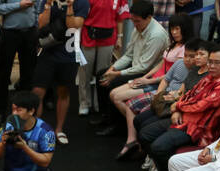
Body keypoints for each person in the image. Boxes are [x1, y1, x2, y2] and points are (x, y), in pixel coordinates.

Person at [144, 42, 220, 171]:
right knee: (145, 133)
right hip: (184, 118)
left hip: (200, 129)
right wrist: (177, 110)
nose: (211, 66)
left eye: (216, 63)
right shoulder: (209, 77)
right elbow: (189, 94)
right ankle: (161, 169)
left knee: (158, 147)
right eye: (210, 62)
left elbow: (201, 105)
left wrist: (177, 106)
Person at [111, 30, 198, 158]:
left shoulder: (195, 73)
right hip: (162, 91)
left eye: (178, 29)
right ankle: (132, 140)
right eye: (186, 56)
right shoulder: (177, 59)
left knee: (140, 116)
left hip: (171, 99)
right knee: (118, 96)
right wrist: (158, 95)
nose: (174, 32)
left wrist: (167, 97)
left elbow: (182, 93)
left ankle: (138, 145)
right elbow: (166, 78)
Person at [94, 0, 168, 128]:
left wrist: (115, 74)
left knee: (113, 82)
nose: (134, 24)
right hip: (135, 66)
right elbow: (128, 55)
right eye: (132, 20)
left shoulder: (157, 35)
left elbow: (144, 67)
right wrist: (112, 69)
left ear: (149, 18)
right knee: (102, 75)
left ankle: (115, 125)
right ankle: (105, 116)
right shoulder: (138, 27)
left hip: (147, 73)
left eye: (137, 21)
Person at [30, 0, 87, 145]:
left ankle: (59, 129)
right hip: (47, 52)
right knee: (37, 91)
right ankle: (35, 130)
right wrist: (48, 4)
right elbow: (41, 23)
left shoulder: (81, 2)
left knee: (63, 92)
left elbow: (73, 25)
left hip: (69, 54)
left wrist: (69, 7)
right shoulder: (49, 1)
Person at [0, 0, 40, 130]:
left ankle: (23, 113)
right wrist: (19, 5)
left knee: (28, 75)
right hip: (9, 33)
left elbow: (39, 6)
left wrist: (36, 24)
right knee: (3, 75)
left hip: (30, 32)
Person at [78, 0, 120, 118]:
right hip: (88, 34)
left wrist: (120, 37)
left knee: (103, 72)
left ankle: (99, 103)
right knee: (84, 70)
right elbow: (80, 15)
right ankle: (84, 103)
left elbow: (120, 17)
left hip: (109, 36)